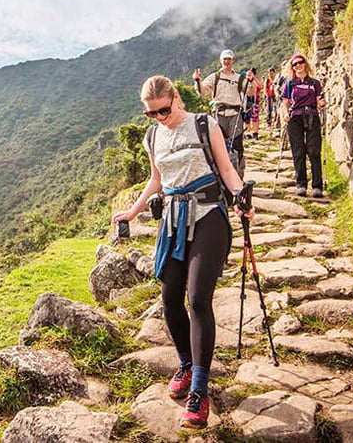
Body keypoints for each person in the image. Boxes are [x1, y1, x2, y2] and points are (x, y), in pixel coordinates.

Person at [112, 75, 254, 429]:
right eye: (151, 113)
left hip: (208, 216)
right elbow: (156, 180)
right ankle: (187, 365)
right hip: (173, 221)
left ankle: (200, 392)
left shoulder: (205, 125)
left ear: (176, 98)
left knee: (199, 298)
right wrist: (133, 210)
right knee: (169, 298)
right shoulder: (153, 136)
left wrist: (240, 197)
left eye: (163, 109)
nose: (159, 117)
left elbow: (226, 170)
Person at [192, 49, 246, 177]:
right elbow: (203, 91)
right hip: (219, 114)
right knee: (218, 145)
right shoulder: (214, 77)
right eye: (224, 59)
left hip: (235, 114)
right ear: (221, 61)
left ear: (233, 60)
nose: (227, 61)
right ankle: (219, 175)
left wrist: (252, 81)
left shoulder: (239, 78)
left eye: (229, 59)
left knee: (237, 144)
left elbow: (249, 91)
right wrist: (197, 81)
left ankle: (238, 174)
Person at [280, 54, 326, 198]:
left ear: (305, 64)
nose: (298, 66)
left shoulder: (315, 83)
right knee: (298, 152)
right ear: (292, 67)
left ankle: (317, 186)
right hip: (295, 118)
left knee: (314, 151)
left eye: (300, 63)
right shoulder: (289, 84)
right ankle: (301, 185)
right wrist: (285, 114)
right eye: (295, 64)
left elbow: (319, 99)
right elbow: (285, 102)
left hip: (312, 116)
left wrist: (321, 103)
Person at [243, 68, 261, 140]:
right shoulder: (244, 82)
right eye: (247, 74)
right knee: (246, 118)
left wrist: (254, 78)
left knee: (255, 118)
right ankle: (247, 133)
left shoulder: (255, 81)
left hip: (254, 101)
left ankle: (255, 133)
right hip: (246, 101)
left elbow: (261, 86)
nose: (249, 75)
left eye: (250, 74)